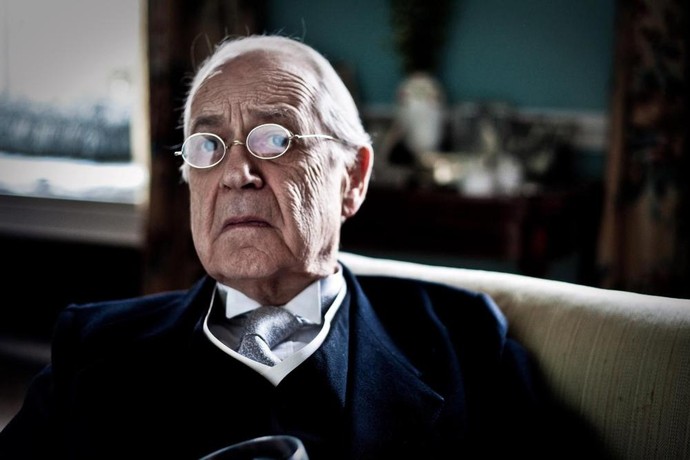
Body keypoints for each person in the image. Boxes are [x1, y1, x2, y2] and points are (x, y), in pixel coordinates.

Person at [0, 34, 608, 459]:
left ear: (353, 179)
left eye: (275, 137)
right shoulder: (94, 349)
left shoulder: (464, 339)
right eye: (208, 146)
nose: (237, 173)